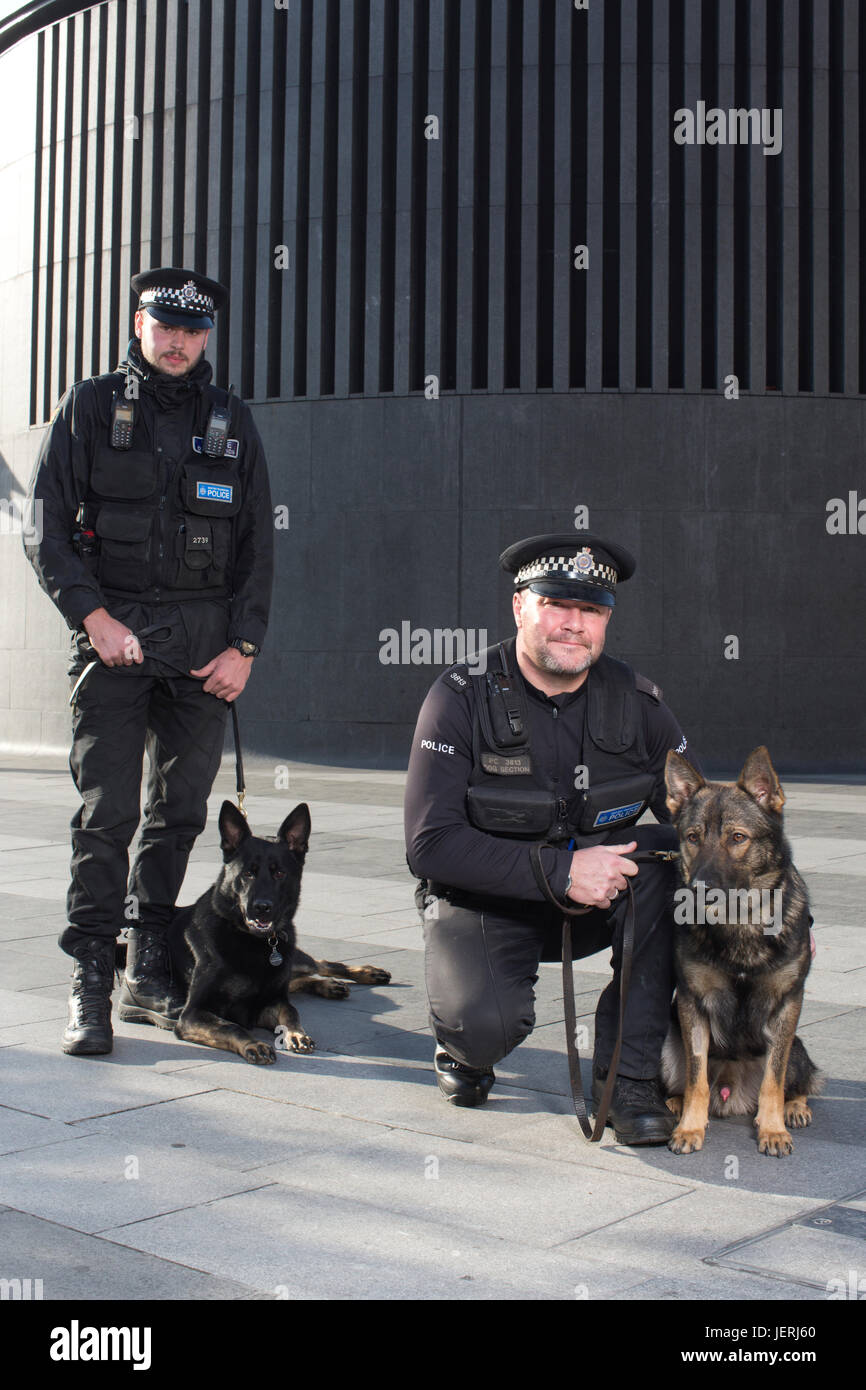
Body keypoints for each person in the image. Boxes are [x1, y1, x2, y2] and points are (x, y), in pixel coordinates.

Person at [23, 267, 274, 1057]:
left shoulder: (231, 420)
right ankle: (93, 975)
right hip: (115, 640)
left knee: (180, 816)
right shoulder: (92, 406)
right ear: (138, 325)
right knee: (107, 816)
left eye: (193, 331)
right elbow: (45, 527)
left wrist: (244, 648)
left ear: (208, 338)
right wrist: (91, 617)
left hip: (202, 653)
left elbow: (258, 548)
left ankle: (149, 962)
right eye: (164, 326)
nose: (178, 342)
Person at [403, 533, 696, 1145]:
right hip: (489, 900)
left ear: (607, 619)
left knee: (668, 880)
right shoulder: (459, 696)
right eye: (556, 605)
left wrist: (781, 916)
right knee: (485, 1026)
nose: (573, 624)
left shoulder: (640, 705)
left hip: (598, 902)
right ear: (519, 607)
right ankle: (462, 1048)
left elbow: (700, 822)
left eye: (590, 610)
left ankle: (629, 1080)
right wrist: (563, 870)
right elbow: (429, 845)